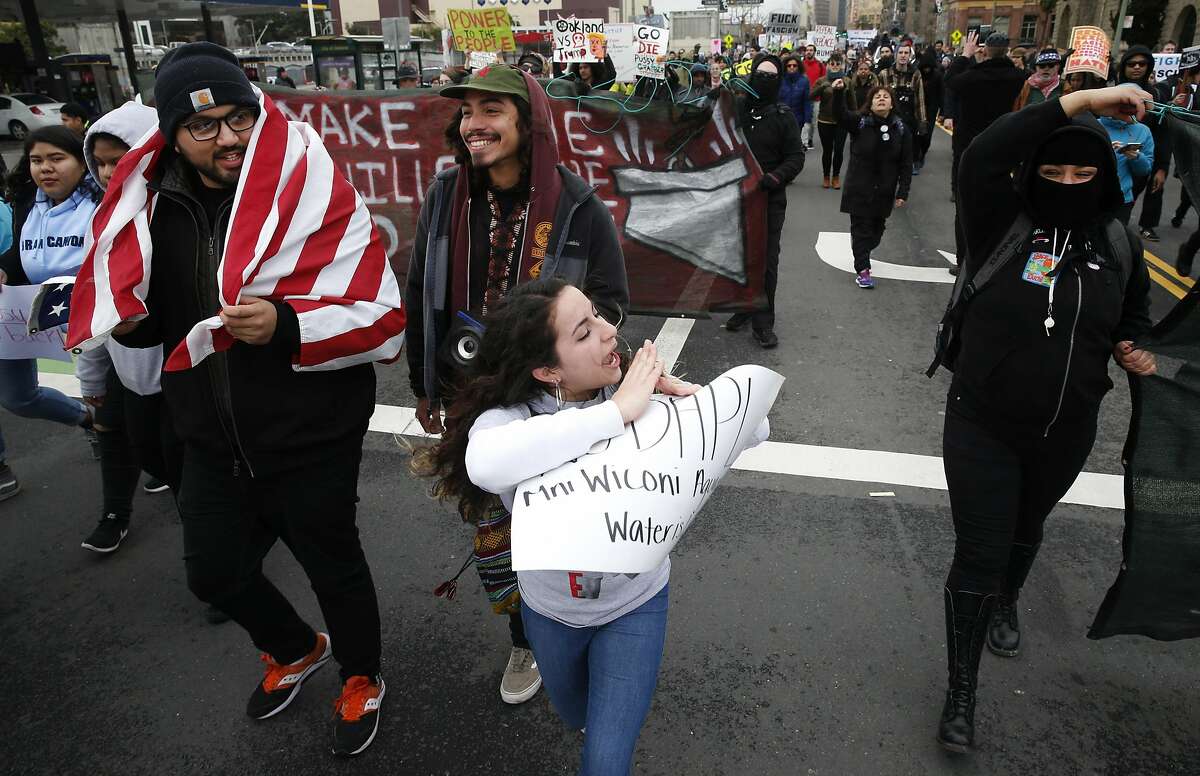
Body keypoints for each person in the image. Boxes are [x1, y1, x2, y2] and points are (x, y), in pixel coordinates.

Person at [78, 42, 405, 757]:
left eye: (239, 117)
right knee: (213, 573)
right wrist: (132, 320)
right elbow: (159, 323)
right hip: (208, 435)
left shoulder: (312, 186)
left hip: (309, 432)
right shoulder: (148, 208)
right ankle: (294, 647)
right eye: (205, 127)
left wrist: (285, 323)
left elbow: (380, 314)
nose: (228, 137)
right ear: (172, 134)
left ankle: (361, 674)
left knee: (333, 566)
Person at [412, 278, 767, 776]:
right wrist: (615, 413)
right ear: (547, 369)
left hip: (635, 605)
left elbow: (756, 429)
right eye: (583, 332)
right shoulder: (516, 417)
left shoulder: (641, 399)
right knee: (575, 711)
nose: (607, 332)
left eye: (598, 315)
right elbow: (486, 464)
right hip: (550, 611)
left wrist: (691, 400)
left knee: (605, 760)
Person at [929, 85, 1155, 754]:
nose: (1065, 182)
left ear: (1102, 178)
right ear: (1033, 173)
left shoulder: (1119, 240)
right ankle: (961, 689)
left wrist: (1130, 344)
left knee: (1028, 529)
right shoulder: (1001, 217)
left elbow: (1136, 313)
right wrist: (1087, 98)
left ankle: (1009, 599)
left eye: (1081, 173)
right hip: (982, 423)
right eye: (1052, 171)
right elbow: (980, 155)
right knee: (979, 550)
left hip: (1068, 427)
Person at [406, 64, 629, 706]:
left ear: (526, 123)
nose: (475, 124)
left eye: (492, 110)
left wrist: (550, 350)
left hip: (550, 405)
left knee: (559, 530)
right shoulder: (446, 195)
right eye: (468, 111)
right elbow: (423, 290)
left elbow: (610, 305)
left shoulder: (578, 208)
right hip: (471, 402)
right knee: (495, 536)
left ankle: (585, 628)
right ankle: (524, 640)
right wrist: (426, 384)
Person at [74, 100, 174, 554]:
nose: (110, 171)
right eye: (100, 162)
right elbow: (94, 310)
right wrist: (91, 378)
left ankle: (227, 567)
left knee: (199, 478)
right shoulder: (102, 224)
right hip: (130, 377)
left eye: (121, 158)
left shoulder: (179, 212)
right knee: (149, 453)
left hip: (185, 374)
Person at [0, 126, 99, 475]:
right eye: (37, 160)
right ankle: (92, 423)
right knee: (17, 398)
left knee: (127, 401)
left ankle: (145, 457)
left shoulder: (103, 201)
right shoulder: (27, 202)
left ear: (83, 163)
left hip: (101, 318)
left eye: (57, 159)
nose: (46, 168)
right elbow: (22, 252)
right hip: (34, 311)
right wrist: (5, 270)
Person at [724, 53, 805, 347]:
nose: (765, 81)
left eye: (772, 76)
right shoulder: (737, 109)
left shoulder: (784, 117)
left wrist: (775, 177)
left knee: (766, 262)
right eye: (761, 74)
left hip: (769, 199)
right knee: (739, 259)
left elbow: (796, 157)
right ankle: (743, 309)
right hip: (738, 199)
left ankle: (763, 322)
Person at [945, 30, 1027, 272]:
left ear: (985, 50)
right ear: (1007, 52)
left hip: (969, 149)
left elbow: (950, 80)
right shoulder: (1017, 77)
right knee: (996, 205)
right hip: (1001, 147)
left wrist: (966, 55)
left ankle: (964, 260)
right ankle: (991, 258)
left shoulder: (972, 77)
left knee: (964, 208)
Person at [831, 80, 912, 289]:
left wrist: (903, 191)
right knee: (861, 230)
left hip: (884, 191)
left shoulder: (901, 128)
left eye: (886, 96)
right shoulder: (860, 122)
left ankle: (863, 251)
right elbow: (840, 115)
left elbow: (905, 163)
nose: (882, 99)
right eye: (877, 97)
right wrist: (838, 92)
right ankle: (863, 270)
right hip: (859, 188)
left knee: (876, 232)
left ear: (892, 104)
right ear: (871, 103)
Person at [1116, 46, 1172, 241]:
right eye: (1132, 64)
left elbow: (1164, 133)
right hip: (1117, 158)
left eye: (1142, 64)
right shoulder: (1110, 92)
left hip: (1145, 155)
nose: (1137, 67)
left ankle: (1147, 225)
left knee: (1154, 189)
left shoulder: (1155, 96)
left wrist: (1162, 168)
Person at [877, 44, 927, 175]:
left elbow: (920, 100)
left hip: (909, 120)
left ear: (910, 56)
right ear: (895, 55)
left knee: (906, 153)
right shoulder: (884, 74)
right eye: (901, 53)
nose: (903, 55)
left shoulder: (916, 75)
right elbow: (876, 98)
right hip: (888, 120)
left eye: (906, 53)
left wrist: (922, 121)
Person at [810, 52, 852, 188]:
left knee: (839, 150)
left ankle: (836, 176)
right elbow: (811, 96)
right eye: (832, 63)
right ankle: (826, 176)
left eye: (838, 64)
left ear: (842, 66)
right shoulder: (822, 80)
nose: (835, 66)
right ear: (828, 65)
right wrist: (824, 86)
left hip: (841, 122)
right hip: (825, 121)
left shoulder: (847, 81)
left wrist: (854, 119)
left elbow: (852, 102)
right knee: (827, 150)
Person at [916, 45, 944, 170]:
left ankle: (922, 153)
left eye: (929, 67)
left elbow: (942, 93)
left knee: (927, 134)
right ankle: (917, 155)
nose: (926, 70)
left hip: (932, 109)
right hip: (918, 108)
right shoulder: (917, 75)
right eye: (924, 68)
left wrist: (943, 111)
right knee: (918, 133)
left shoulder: (937, 76)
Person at [779, 54, 812, 152]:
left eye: (794, 65)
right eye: (789, 65)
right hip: (782, 118)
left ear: (799, 66)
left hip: (797, 119)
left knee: (794, 145)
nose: (792, 67)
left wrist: (807, 121)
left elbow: (807, 101)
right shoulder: (780, 80)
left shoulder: (804, 81)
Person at [800, 45, 826, 148]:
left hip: (816, 99)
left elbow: (824, 80)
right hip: (803, 98)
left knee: (813, 121)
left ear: (814, 52)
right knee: (805, 120)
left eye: (811, 50)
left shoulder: (820, 65)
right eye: (807, 50)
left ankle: (809, 139)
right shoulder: (800, 65)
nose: (809, 52)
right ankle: (803, 142)